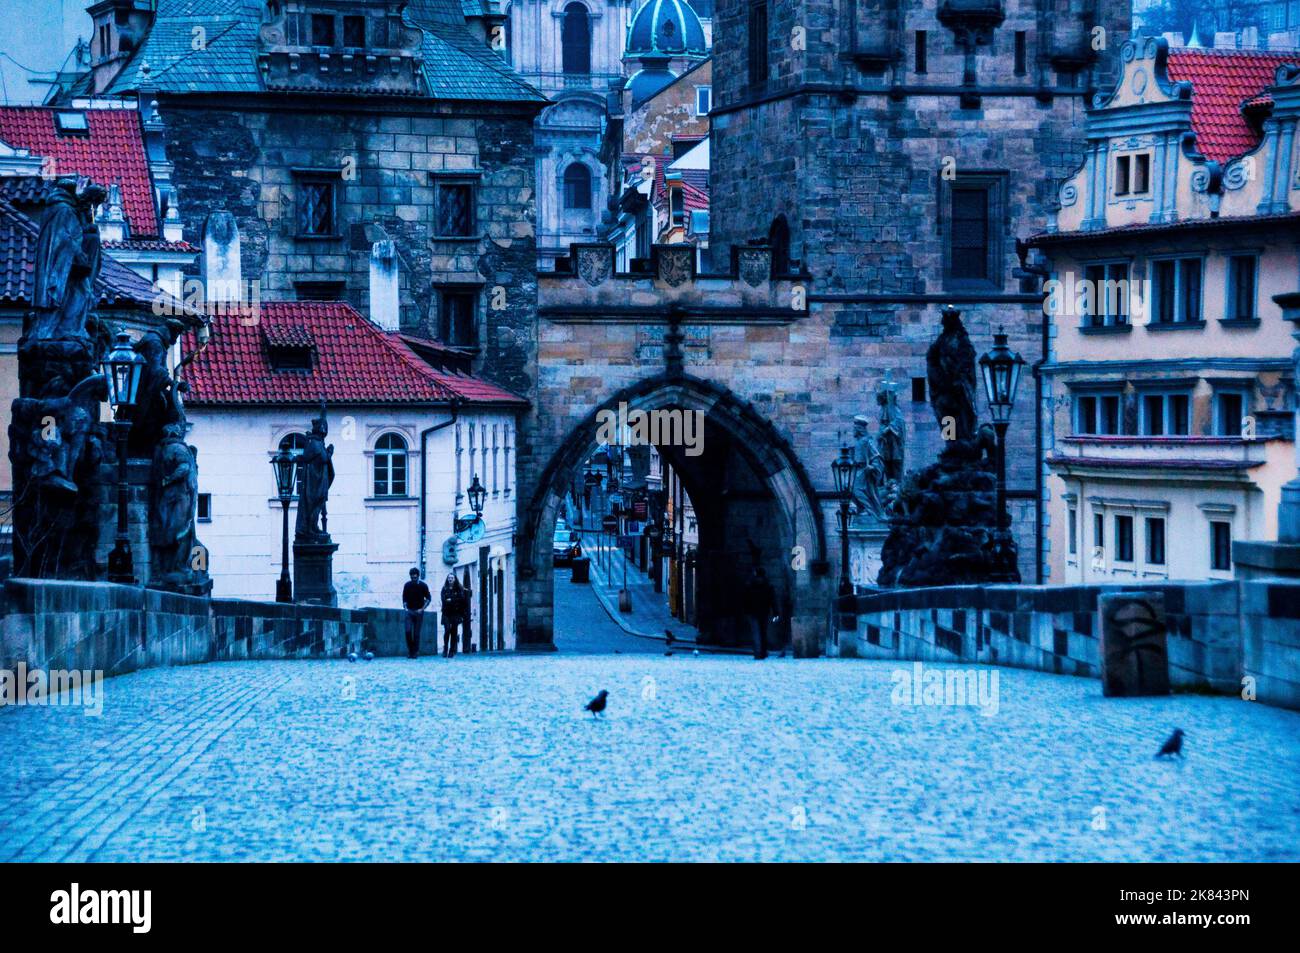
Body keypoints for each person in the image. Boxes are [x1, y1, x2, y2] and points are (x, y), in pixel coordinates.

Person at [743, 565, 776, 660]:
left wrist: (746, 610)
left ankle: (757, 652)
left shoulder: (750, 585)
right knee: (763, 632)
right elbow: (772, 599)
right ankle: (763, 652)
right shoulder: (768, 585)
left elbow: (745, 599)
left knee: (755, 633)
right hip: (764, 612)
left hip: (752, 612)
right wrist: (775, 611)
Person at [402, 568, 432, 659]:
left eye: (415, 576)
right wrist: (406, 608)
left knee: (416, 633)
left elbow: (428, 598)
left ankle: (415, 652)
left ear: (418, 576)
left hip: (419, 611)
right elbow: (404, 598)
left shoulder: (423, 585)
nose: (414, 577)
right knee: (407, 631)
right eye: (412, 576)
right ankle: (410, 650)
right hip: (409, 611)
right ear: (410, 576)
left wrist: (422, 609)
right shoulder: (407, 585)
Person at [441, 573, 464, 658]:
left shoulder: (459, 589)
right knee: (447, 630)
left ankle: (451, 650)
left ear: (454, 579)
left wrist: (451, 600)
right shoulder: (444, 588)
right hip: (446, 612)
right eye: (449, 578)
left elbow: (461, 600)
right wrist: (450, 601)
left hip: (455, 613)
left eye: (452, 578)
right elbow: (443, 599)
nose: (450, 579)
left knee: (454, 631)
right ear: (447, 579)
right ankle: (445, 648)